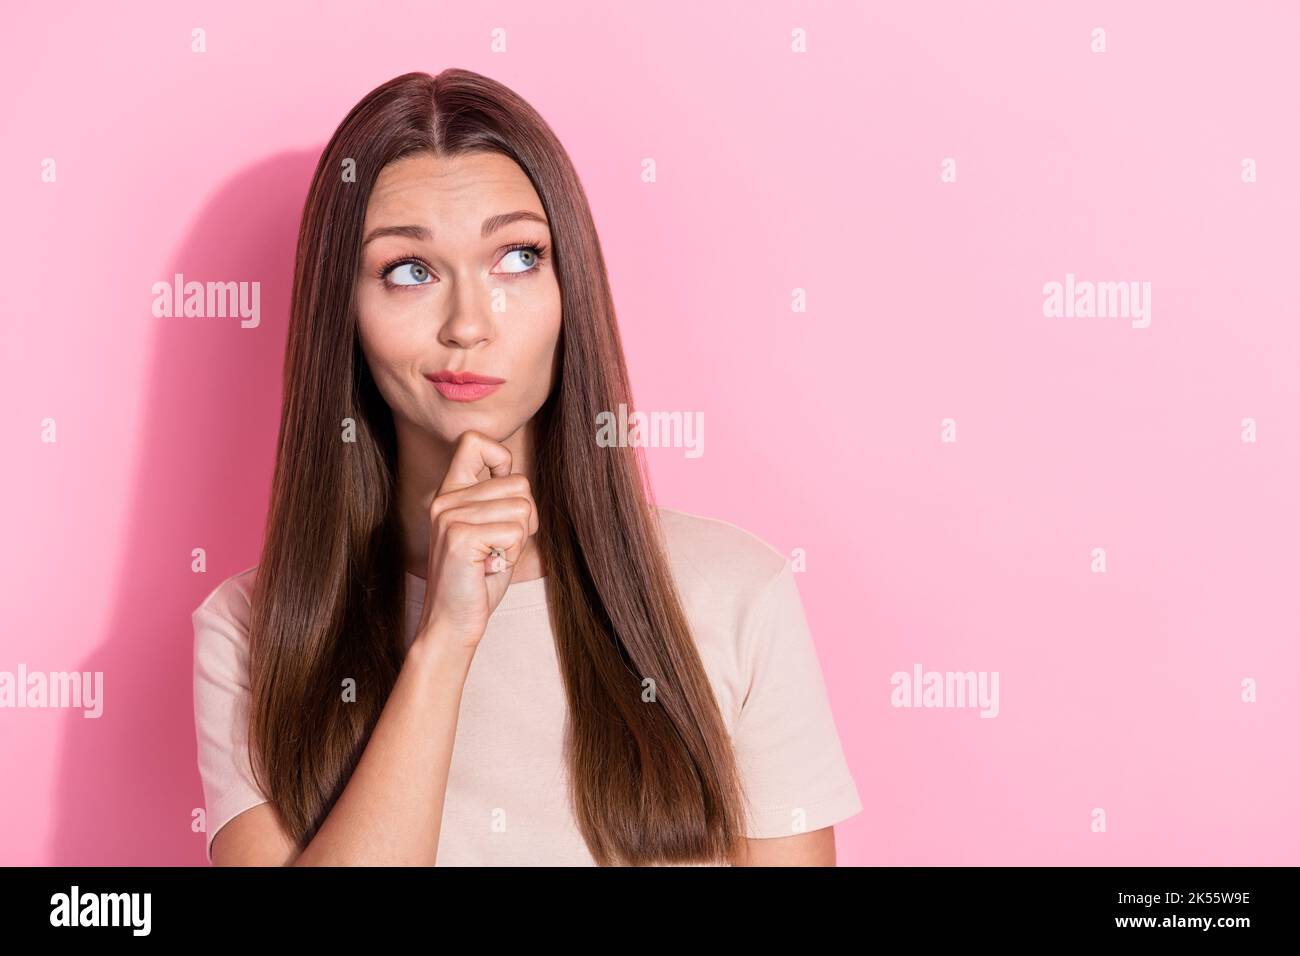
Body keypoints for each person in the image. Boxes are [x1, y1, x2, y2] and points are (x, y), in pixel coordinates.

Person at [192, 68, 861, 866]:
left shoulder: (735, 592)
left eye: (515, 257)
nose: (469, 324)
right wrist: (444, 641)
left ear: (568, 285)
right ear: (343, 310)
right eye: (409, 270)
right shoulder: (252, 632)